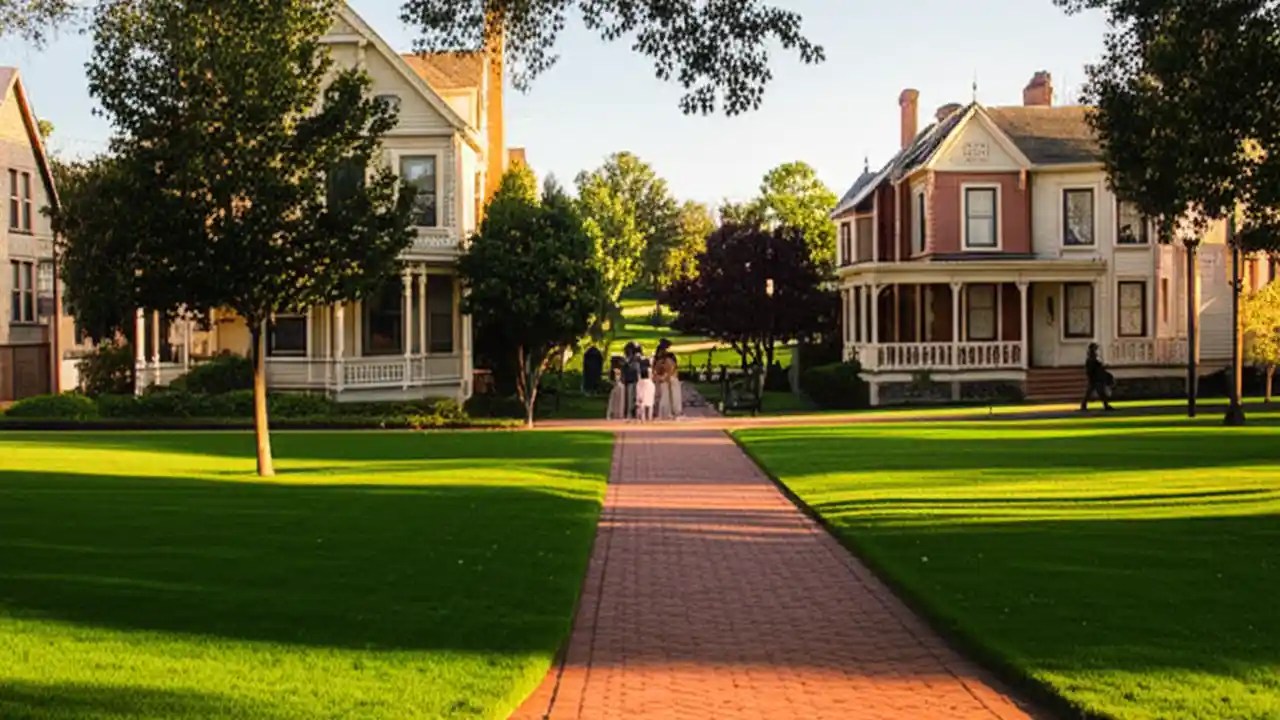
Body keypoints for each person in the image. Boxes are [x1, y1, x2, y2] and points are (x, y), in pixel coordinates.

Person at [653, 338, 682, 420]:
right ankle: (669, 412)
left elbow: (672, 368)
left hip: (667, 378)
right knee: (665, 396)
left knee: (668, 395)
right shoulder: (666, 357)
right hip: (664, 378)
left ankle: (670, 411)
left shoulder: (668, 357)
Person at [1081, 342, 1115, 411]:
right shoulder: (1091, 359)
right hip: (1096, 378)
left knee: (1092, 393)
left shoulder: (1092, 358)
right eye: (1095, 348)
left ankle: (1084, 405)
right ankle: (1105, 406)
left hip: (1096, 378)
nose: (1096, 350)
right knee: (1099, 393)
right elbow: (1092, 369)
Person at [636, 358, 656, 422]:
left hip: (641, 383)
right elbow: (651, 377)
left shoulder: (639, 370)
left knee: (641, 402)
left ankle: (642, 417)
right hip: (649, 384)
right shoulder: (649, 370)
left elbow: (638, 378)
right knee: (650, 402)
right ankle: (650, 417)